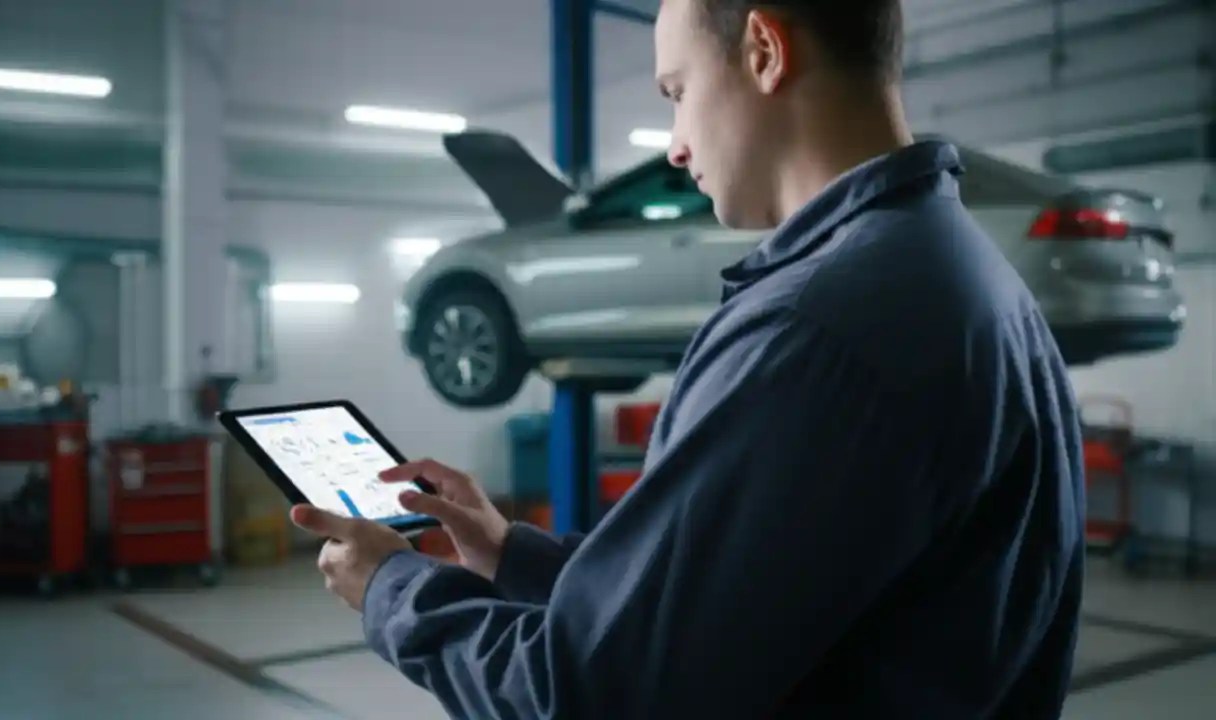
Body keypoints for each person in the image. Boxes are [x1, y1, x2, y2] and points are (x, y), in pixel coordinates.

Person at [291, 0, 1087, 716]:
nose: (674, 147)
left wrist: (392, 589)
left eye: (677, 92)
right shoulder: (964, 272)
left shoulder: (810, 329)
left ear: (765, 50)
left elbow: (594, 697)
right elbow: (737, 605)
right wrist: (510, 556)